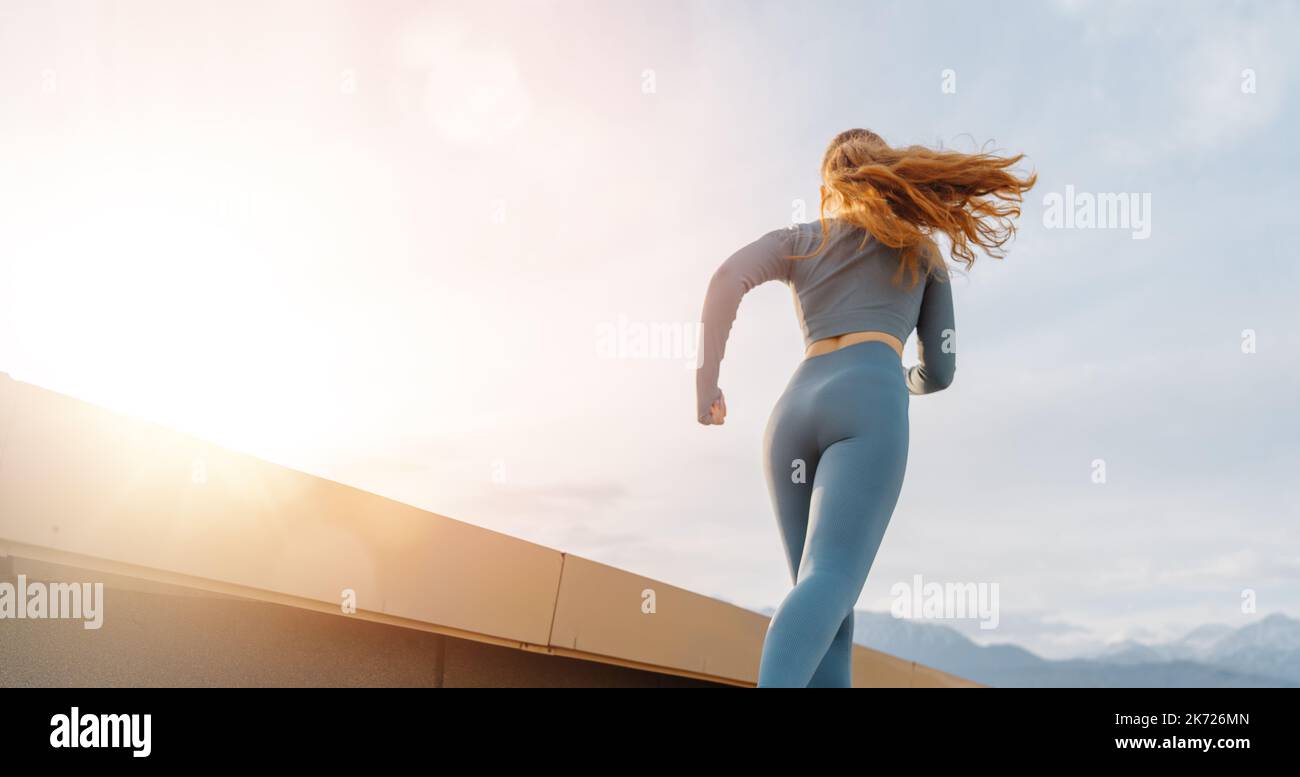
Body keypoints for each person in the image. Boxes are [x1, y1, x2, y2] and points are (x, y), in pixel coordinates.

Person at [695, 128, 1035, 687]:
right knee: (830, 581)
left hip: (791, 416)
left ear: (829, 186)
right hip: (868, 400)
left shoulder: (801, 238)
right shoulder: (920, 250)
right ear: (888, 172)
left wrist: (706, 383)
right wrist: (903, 380)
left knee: (829, 607)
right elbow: (942, 369)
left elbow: (725, 277)